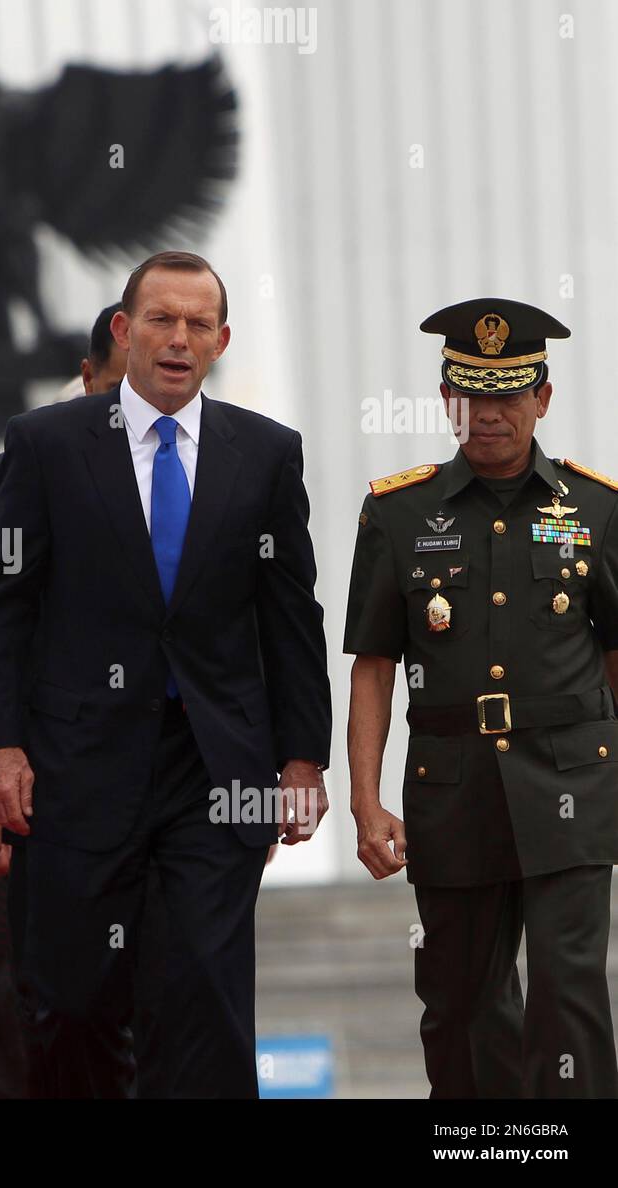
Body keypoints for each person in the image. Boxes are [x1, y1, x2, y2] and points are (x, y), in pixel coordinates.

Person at [0, 252, 332, 1098]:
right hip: (75, 770)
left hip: (215, 769)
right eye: (161, 320)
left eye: (198, 324)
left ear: (221, 340)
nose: (179, 339)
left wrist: (302, 759)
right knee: (73, 999)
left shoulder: (266, 453)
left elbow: (291, 616)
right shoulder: (45, 445)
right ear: (124, 332)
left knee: (202, 991)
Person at [345, 298, 618, 1098]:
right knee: (462, 1002)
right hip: (451, 789)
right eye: (472, 395)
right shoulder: (398, 512)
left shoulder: (596, 508)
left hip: (572, 783)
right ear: (444, 398)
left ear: (543, 398)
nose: (490, 415)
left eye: (509, 394)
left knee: (569, 998)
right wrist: (364, 798)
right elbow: (373, 663)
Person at [0, 301, 126, 1097]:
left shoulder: (214, 472)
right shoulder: (22, 466)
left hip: (147, 802)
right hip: (21, 797)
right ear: (86, 378)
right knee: (2, 1001)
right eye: (122, 389)